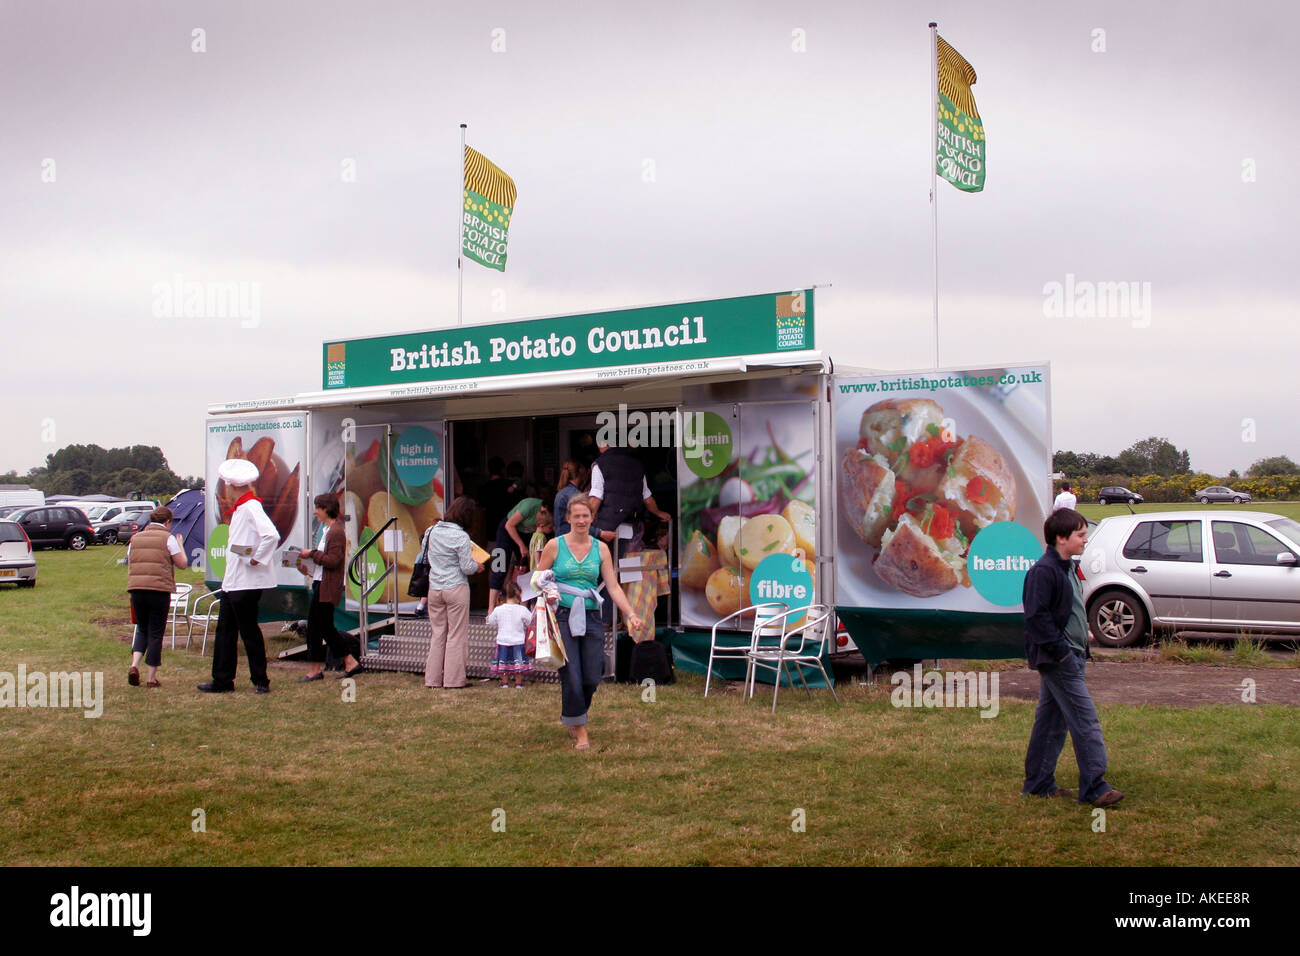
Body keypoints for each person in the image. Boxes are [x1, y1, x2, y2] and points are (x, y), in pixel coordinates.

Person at [1021, 507, 1123, 808]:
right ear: (1061, 538)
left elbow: (1070, 608)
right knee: (1084, 720)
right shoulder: (1043, 572)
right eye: (1080, 535)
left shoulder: (1068, 568)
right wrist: (1063, 653)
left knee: (1051, 722)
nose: (1085, 539)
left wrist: (1084, 632)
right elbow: (1037, 619)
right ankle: (1095, 787)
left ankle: (1038, 783)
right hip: (1060, 660)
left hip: (1072, 654)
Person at [535, 494, 643, 750]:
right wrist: (548, 594)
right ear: (568, 518)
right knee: (571, 674)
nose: (581, 520)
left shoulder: (601, 548)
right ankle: (580, 728)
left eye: (586, 516)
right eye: (577, 516)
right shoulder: (554, 545)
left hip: (592, 616)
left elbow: (613, 586)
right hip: (562, 615)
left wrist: (630, 613)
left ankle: (574, 714)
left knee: (592, 676)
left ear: (592, 518)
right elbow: (537, 578)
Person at [200, 458, 279, 695]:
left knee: (247, 631)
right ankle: (223, 679)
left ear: (233, 486)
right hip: (234, 582)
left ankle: (260, 679)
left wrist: (255, 558)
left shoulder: (251, 507)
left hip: (244, 582)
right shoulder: (245, 507)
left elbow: (271, 536)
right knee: (226, 630)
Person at [296, 493, 362, 681]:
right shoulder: (326, 531)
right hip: (320, 583)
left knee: (324, 627)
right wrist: (307, 567)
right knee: (318, 628)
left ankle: (348, 661)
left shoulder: (336, 532)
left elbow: (334, 560)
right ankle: (318, 668)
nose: (315, 511)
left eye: (318, 507)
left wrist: (312, 553)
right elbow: (324, 562)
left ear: (327, 509)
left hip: (327, 587)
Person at [424, 496, 484, 689]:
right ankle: (453, 680)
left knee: (438, 634)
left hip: (434, 588)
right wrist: (478, 566)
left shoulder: (431, 531)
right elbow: (466, 567)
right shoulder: (461, 536)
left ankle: (432, 679)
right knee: (456, 635)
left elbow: (425, 556)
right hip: (456, 587)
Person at [126, 506, 188, 688]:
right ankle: (151, 678)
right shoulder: (168, 539)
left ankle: (134, 665)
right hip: (159, 590)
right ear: (167, 522)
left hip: (136, 589)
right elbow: (182, 564)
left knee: (142, 628)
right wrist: (181, 546)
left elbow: (130, 559)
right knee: (155, 632)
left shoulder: (135, 539)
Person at [588, 441, 671, 546]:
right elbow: (647, 498)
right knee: (625, 559)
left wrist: (587, 519)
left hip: (606, 528)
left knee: (605, 559)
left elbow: (596, 497)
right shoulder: (637, 465)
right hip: (630, 525)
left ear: (604, 444)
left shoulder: (600, 464)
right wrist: (658, 513)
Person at [487, 496, 548, 613]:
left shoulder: (543, 522)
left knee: (526, 567)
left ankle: (521, 605)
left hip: (524, 534)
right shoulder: (529, 505)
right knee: (500, 567)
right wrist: (521, 545)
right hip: (507, 530)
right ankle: (491, 608)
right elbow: (509, 525)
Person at [487, 578, 532, 689]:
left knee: (504, 664)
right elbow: (530, 621)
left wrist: (489, 613)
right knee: (519, 664)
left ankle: (504, 683)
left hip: (503, 641)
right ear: (518, 594)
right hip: (518, 641)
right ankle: (518, 683)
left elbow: (491, 621)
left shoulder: (499, 610)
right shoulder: (522, 610)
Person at [553, 459, 588, 536]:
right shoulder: (575, 495)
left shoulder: (562, 492)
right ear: (581, 472)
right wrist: (600, 532)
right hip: (570, 540)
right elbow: (581, 521)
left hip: (560, 539)